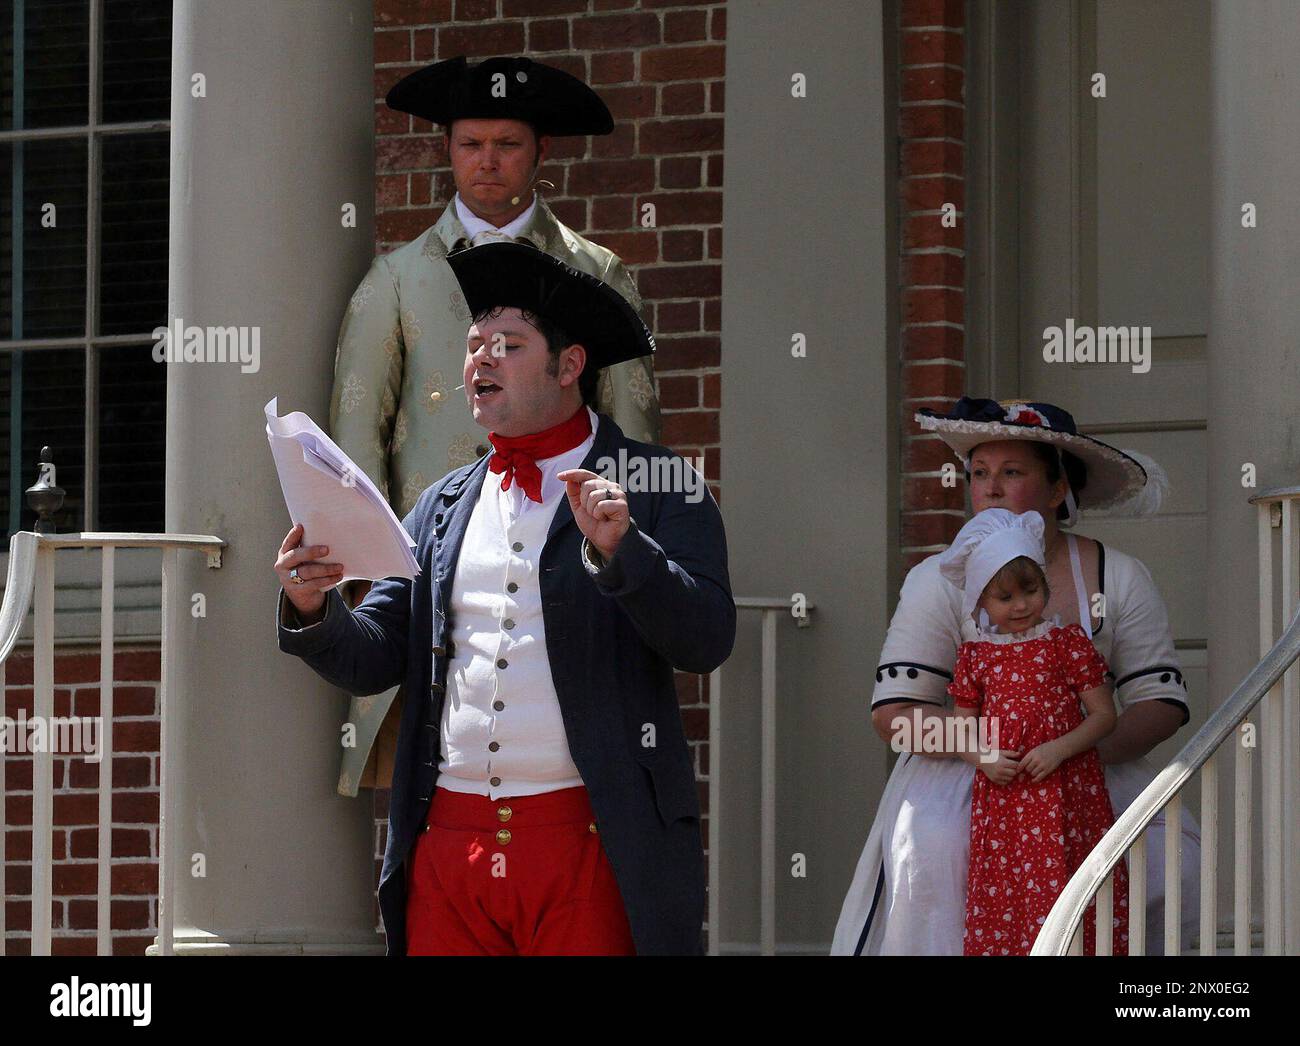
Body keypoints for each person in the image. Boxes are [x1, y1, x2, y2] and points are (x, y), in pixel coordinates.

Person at [274, 242, 734, 955]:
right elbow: (374, 658)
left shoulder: (658, 482)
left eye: (508, 346)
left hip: (591, 844)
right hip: (448, 849)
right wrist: (313, 608)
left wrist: (625, 553)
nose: (479, 362)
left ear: (570, 365)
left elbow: (707, 639)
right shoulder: (439, 506)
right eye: (472, 348)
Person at [329, 54, 661, 799]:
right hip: (434, 578)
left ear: (541, 152)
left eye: (507, 144)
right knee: (433, 796)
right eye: (470, 143)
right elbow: (356, 452)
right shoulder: (396, 280)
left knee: (578, 782)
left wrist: (631, 567)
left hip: (570, 575)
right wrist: (375, 595)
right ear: (448, 149)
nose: (487, 162)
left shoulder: (597, 273)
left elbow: (635, 443)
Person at [832, 397, 1200, 956]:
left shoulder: (1119, 575)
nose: (990, 489)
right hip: (970, 772)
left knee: (1172, 856)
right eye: (979, 473)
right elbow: (895, 717)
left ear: (1057, 491)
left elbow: (1160, 702)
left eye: (1012, 472)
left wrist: (1072, 759)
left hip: (1091, 764)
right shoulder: (936, 580)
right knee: (935, 849)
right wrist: (990, 754)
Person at [941, 507, 1128, 956]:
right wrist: (983, 758)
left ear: (1046, 586)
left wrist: (1059, 750)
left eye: (1030, 590)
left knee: (1075, 887)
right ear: (982, 602)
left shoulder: (1067, 644)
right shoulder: (976, 657)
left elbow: (1104, 715)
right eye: (1004, 597)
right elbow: (960, 730)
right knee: (1012, 895)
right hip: (1006, 801)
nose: (1020, 605)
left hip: (1067, 792)